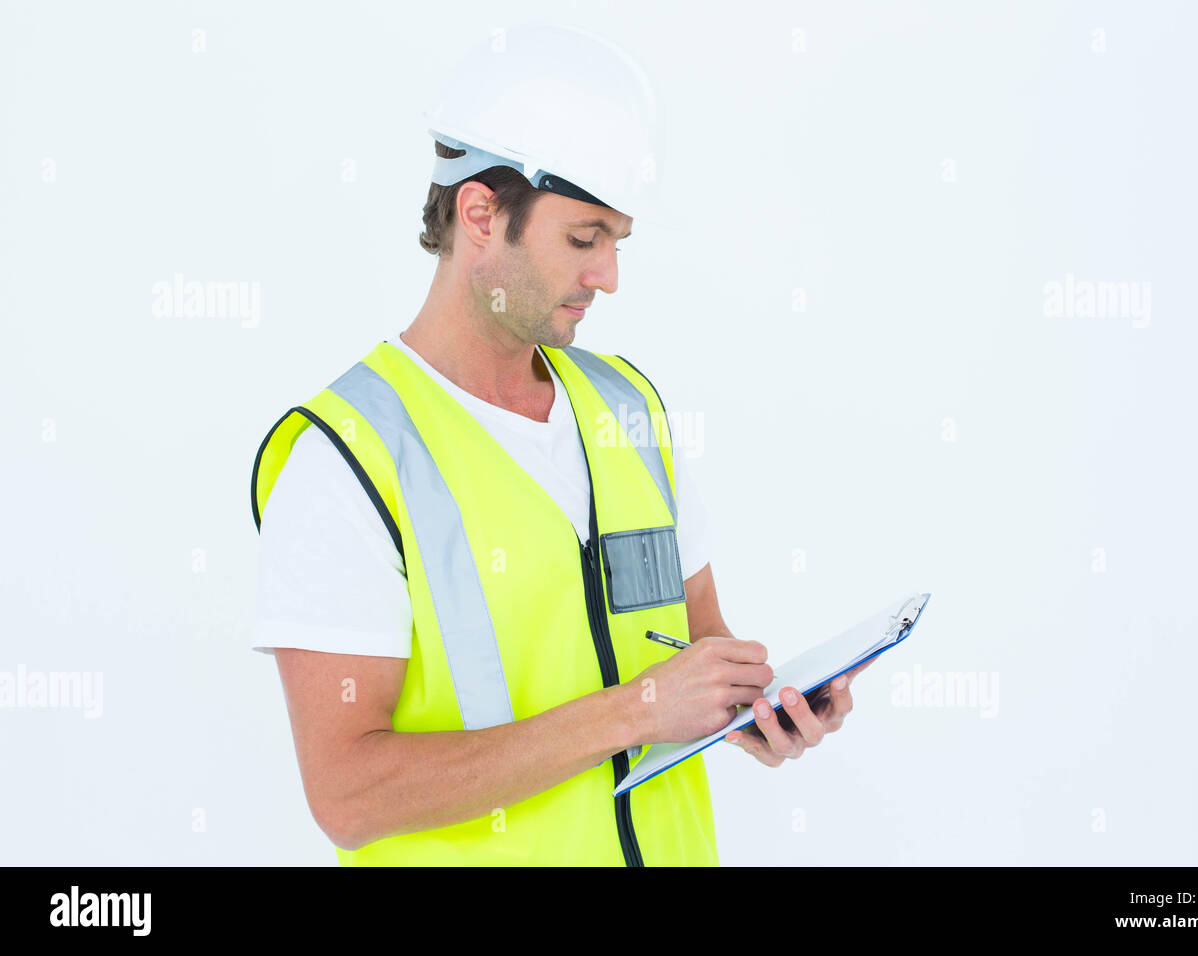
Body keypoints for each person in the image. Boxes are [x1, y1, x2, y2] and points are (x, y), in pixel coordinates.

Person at [248, 22, 874, 866]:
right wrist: (638, 709)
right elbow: (348, 797)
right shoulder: (346, 459)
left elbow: (696, 644)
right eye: (583, 239)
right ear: (480, 213)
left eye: (616, 241)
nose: (607, 275)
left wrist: (757, 709)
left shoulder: (628, 406)